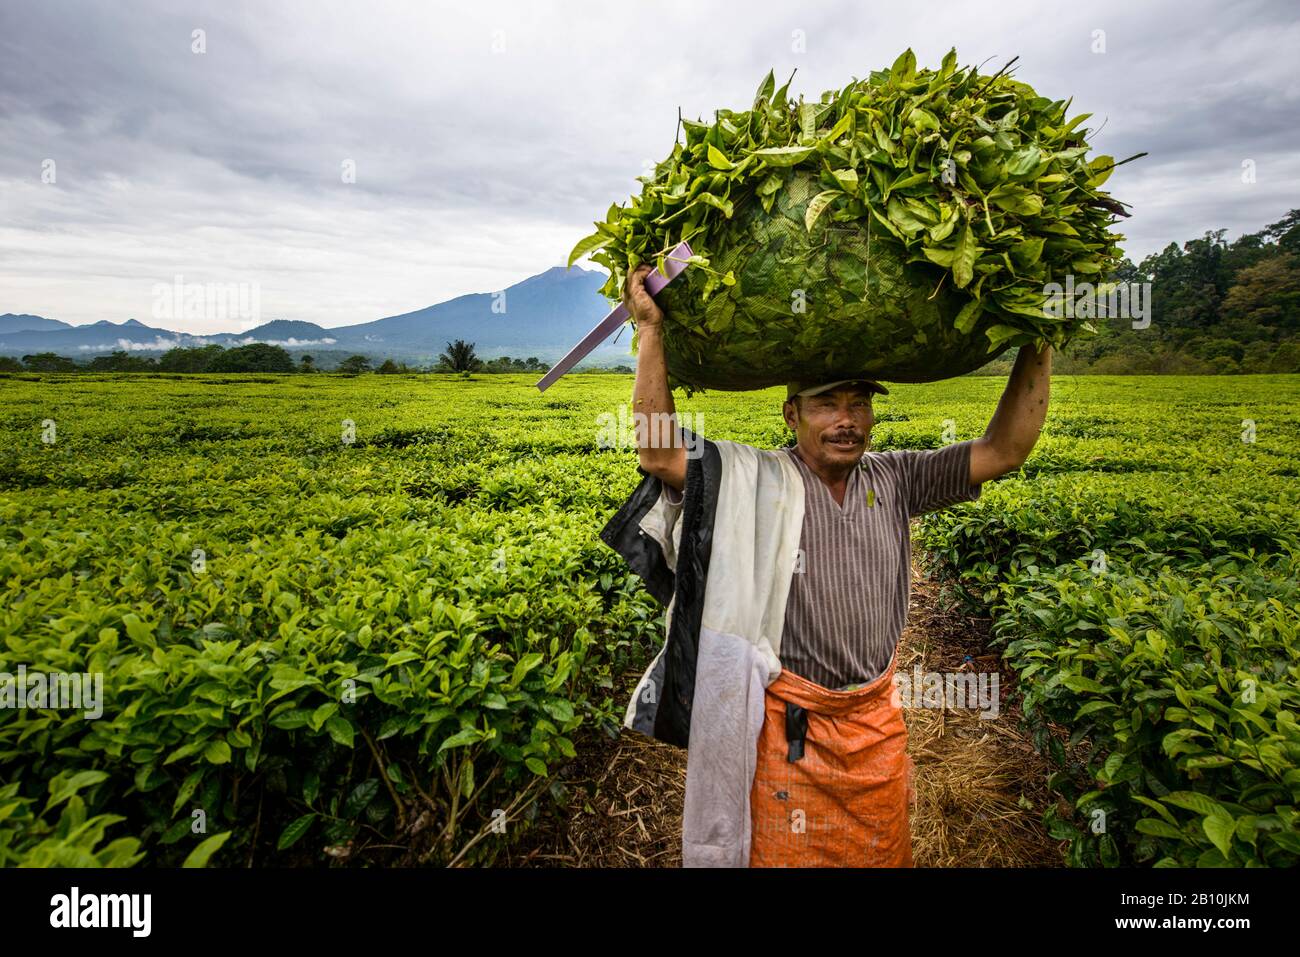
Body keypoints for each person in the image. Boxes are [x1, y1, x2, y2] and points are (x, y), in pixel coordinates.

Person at [602, 263, 1051, 867]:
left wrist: (1040, 335)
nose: (848, 420)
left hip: (875, 730)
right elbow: (658, 451)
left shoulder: (896, 478)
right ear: (792, 415)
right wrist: (650, 331)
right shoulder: (758, 480)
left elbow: (1005, 450)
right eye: (827, 405)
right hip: (790, 735)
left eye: (859, 403)